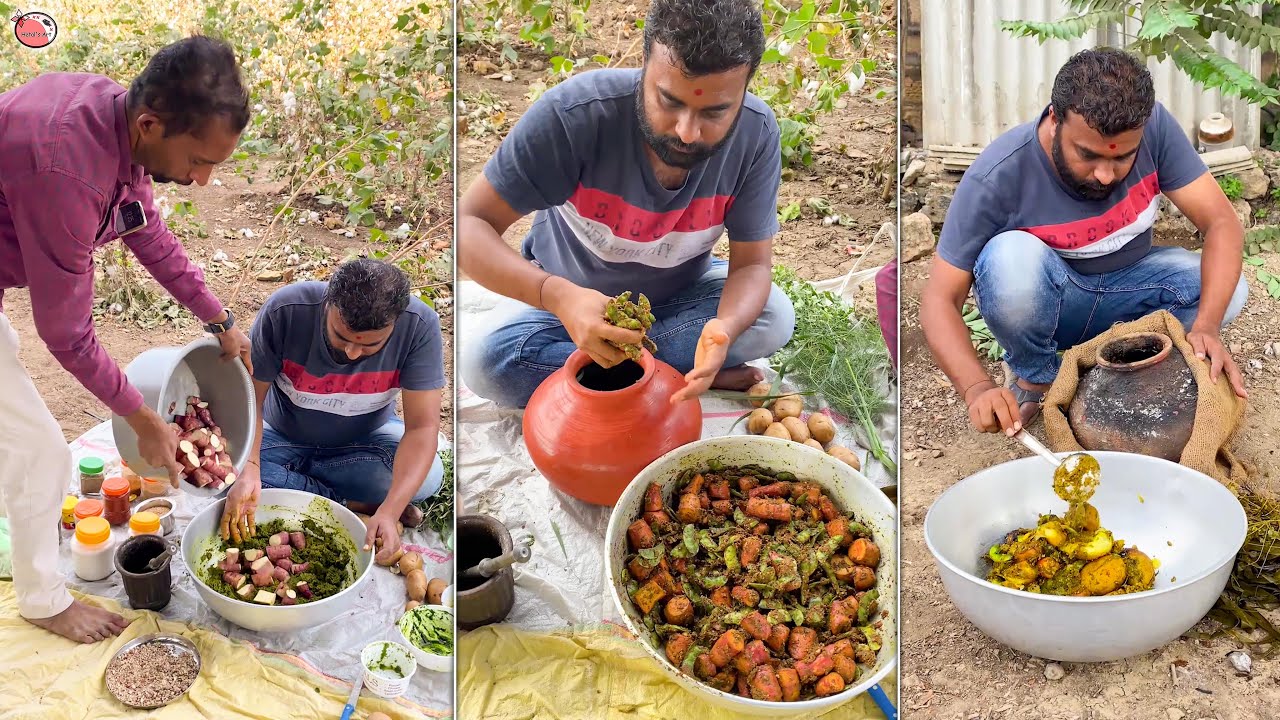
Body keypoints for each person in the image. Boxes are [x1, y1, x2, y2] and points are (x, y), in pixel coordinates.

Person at [0, 35, 252, 643]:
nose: (204, 179)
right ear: (150, 123)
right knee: (40, 451)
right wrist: (142, 418)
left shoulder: (121, 129)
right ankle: (42, 600)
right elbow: (65, 334)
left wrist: (218, 319)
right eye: (200, 161)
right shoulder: (64, 168)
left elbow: (148, 234)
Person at [458, 0, 795, 409]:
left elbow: (753, 265)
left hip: (682, 297)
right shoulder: (573, 117)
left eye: (715, 111)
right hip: (564, 304)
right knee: (484, 362)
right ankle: (667, 374)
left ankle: (613, 375)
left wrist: (722, 330)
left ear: (745, 89)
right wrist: (557, 296)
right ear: (644, 65)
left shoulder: (756, 135)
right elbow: (470, 225)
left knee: (773, 316)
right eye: (669, 101)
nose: (687, 133)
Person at [919, 47, 1248, 436]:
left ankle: (1120, 367)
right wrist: (977, 388)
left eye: (1123, 157)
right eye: (1087, 155)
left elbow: (1222, 223)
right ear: (1055, 119)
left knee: (1230, 290)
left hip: (1133, 287)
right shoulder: (997, 177)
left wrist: (1207, 326)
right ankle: (1038, 377)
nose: (1106, 175)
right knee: (1009, 259)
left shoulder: (1154, 126)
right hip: (1059, 304)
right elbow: (939, 299)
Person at [218, 259, 447, 561]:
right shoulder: (285, 310)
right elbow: (250, 403)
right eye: (341, 337)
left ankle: (295, 485)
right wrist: (251, 467)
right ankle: (350, 502)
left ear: (395, 322)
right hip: (281, 435)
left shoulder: (419, 326)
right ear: (328, 304)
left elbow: (422, 427)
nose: (352, 353)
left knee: (429, 476)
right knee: (225, 475)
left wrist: (390, 512)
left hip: (363, 441)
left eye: (369, 346)